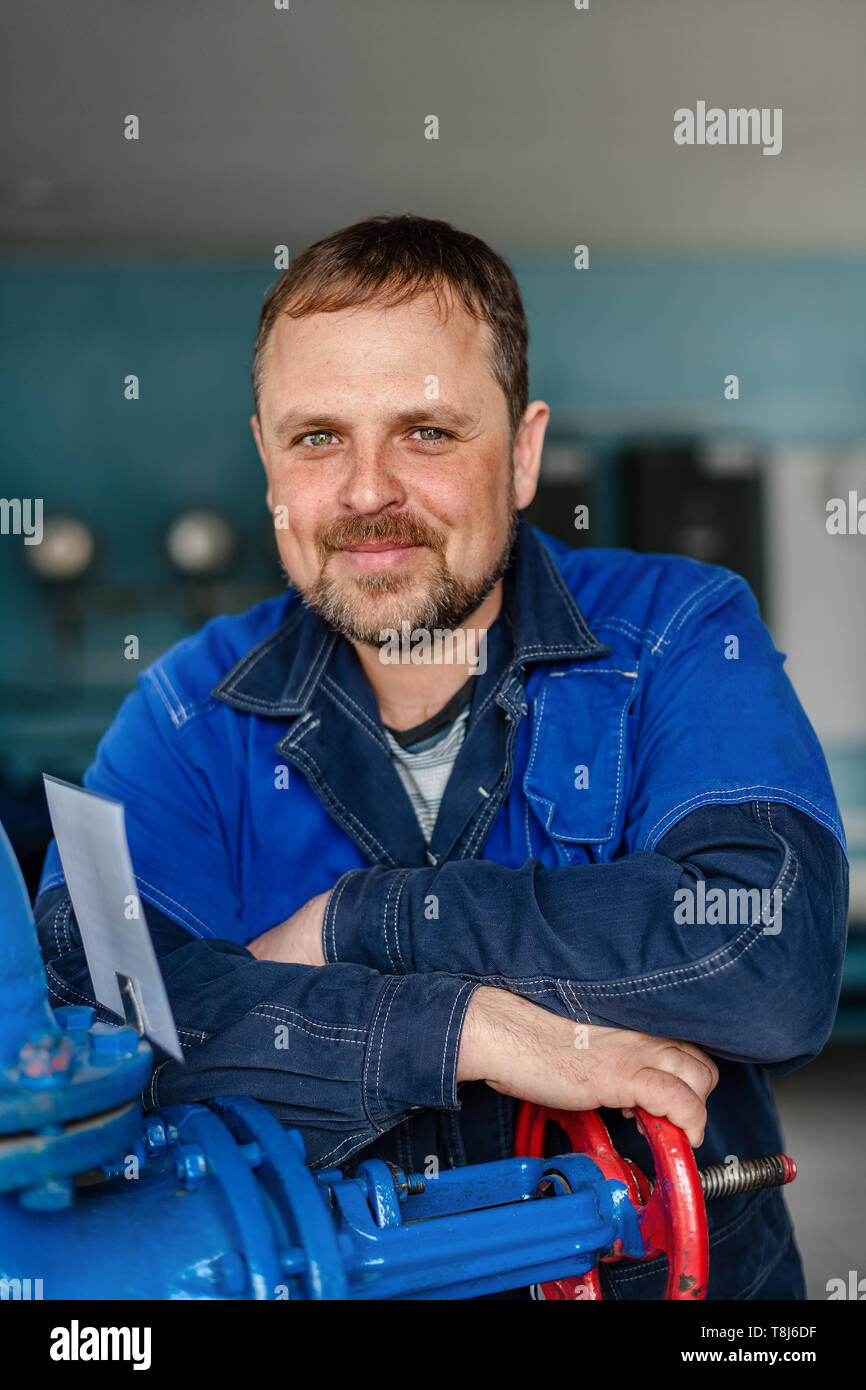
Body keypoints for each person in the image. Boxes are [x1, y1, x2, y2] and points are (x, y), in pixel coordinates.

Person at [33, 214, 848, 1300]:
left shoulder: (680, 631)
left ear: (520, 453)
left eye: (424, 432)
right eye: (318, 437)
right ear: (268, 461)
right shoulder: (182, 712)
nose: (368, 490)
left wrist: (357, 922)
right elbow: (99, 1030)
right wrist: (455, 1026)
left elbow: (768, 950)